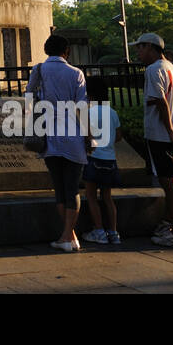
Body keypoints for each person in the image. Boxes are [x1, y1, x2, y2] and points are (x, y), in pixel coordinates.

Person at [27, 34, 90, 252]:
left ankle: (68, 236)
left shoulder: (39, 70)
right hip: (73, 135)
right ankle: (68, 236)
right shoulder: (76, 74)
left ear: (46, 50)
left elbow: (28, 97)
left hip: (49, 135)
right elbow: (82, 107)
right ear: (67, 51)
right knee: (72, 188)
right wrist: (89, 136)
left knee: (59, 188)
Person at [131, 32, 173, 248]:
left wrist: (169, 130)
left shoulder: (153, 69)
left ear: (150, 47)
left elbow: (159, 101)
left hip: (161, 135)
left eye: (140, 47)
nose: (138, 52)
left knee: (169, 183)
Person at [80, 75, 123, 245]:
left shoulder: (87, 112)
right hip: (110, 159)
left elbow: (84, 136)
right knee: (107, 197)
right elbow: (119, 135)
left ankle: (98, 230)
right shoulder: (112, 112)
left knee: (91, 195)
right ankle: (113, 231)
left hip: (93, 158)